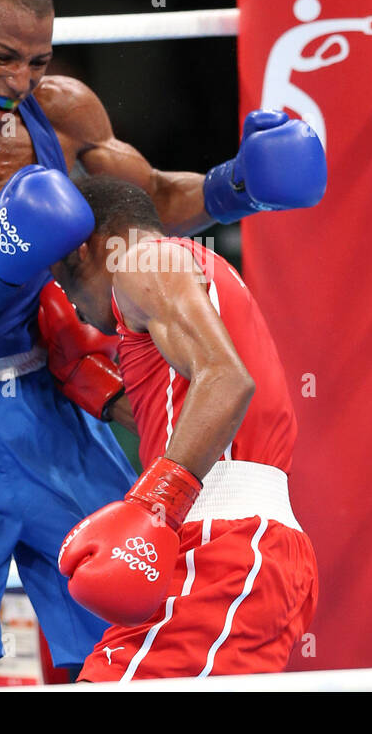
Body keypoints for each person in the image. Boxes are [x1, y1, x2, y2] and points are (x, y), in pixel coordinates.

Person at [0, 0, 324, 690]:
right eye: (1, 57)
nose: (18, 83)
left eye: (35, 61)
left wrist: (237, 185)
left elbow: (150, 199)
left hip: (43, 398)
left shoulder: (59, 112)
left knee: (118, 616)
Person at [52, 176, 317, 680]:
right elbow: (185, 403)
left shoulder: (143, 262)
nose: (69, 301)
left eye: (61, 281)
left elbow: (227, 380)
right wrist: (99, 391)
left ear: (84, 250)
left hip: (223, 542)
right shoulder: (192, 275)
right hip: (231, 544)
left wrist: (153, 504)